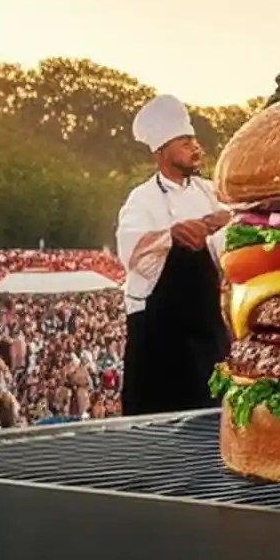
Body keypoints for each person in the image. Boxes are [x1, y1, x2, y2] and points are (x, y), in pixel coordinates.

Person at [116, 94, 232, 416]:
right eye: (185, 142)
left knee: (212, 413)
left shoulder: (210, 191)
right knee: (156, 419)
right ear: (161, 151)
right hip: (158, 334)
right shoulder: (142, 199)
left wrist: (224, 220)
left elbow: (234, 229)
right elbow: (132, 252)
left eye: (194, 141)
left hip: (206, 329)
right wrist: (173, 235)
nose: (196, 148)